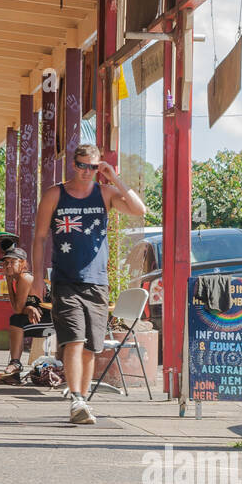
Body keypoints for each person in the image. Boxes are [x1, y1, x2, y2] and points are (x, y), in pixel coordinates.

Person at [32, 143, 146, 424]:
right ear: (74, 164)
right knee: (74, 339)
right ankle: (76, 398)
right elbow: (40, 237)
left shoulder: (105, 193)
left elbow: (139, 210)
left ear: (99, 168)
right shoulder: (55, 194)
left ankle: (81, 402)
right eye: (82, 165)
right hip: (65, 279)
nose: (86, 172)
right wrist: (36, 277)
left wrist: (114, 177)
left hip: (97, 282)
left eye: (93, 167)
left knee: (91, 347)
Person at [0, 247, 43, 385]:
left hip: (49, 318)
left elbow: (17, 308)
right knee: (16, 319)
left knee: (16, 319)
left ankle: (15, 364)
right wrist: (29, 308)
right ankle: (14, 371)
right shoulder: (18, 278)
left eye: (12, 262)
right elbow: (21, 308)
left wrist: (8, 283)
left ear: (22, 263)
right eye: (5, 262)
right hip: (36, 316)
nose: (8, 265)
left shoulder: (24, 277)